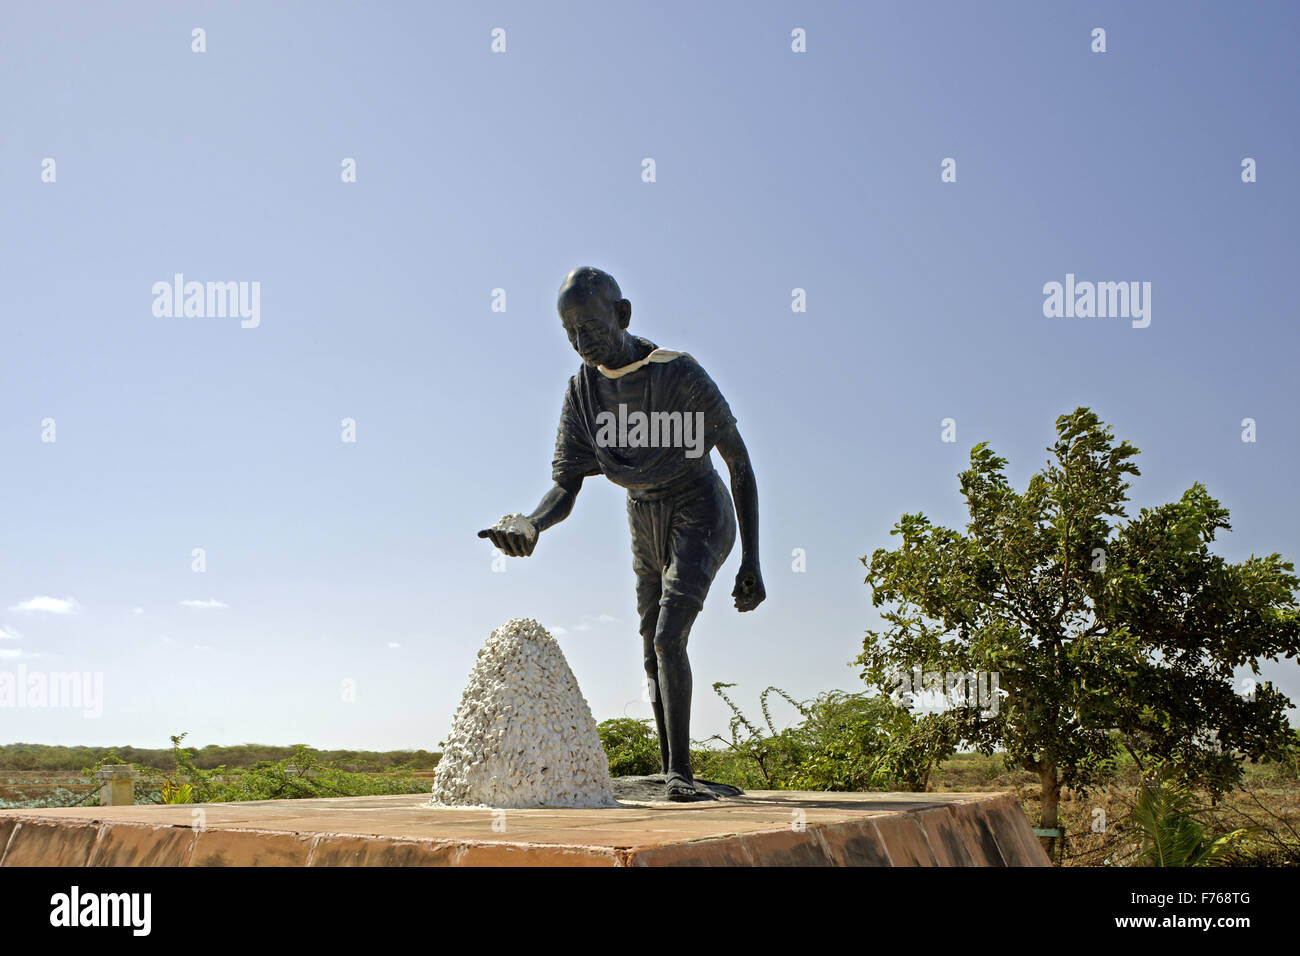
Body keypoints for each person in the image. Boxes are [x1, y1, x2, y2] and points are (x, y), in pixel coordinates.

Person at [479, 266, 764, 801]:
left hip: (700, 508)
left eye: (591, 326)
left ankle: (680, 771)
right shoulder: (583, 394)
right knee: (649, 646)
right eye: (570, 333)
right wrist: (530, 523)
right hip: (642, 515)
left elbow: (740, 463)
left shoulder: (678, 373)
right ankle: (668, 770)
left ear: (624, 315)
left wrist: (753, 560)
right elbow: (564, 488)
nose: (582, 342)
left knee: (667, 637)